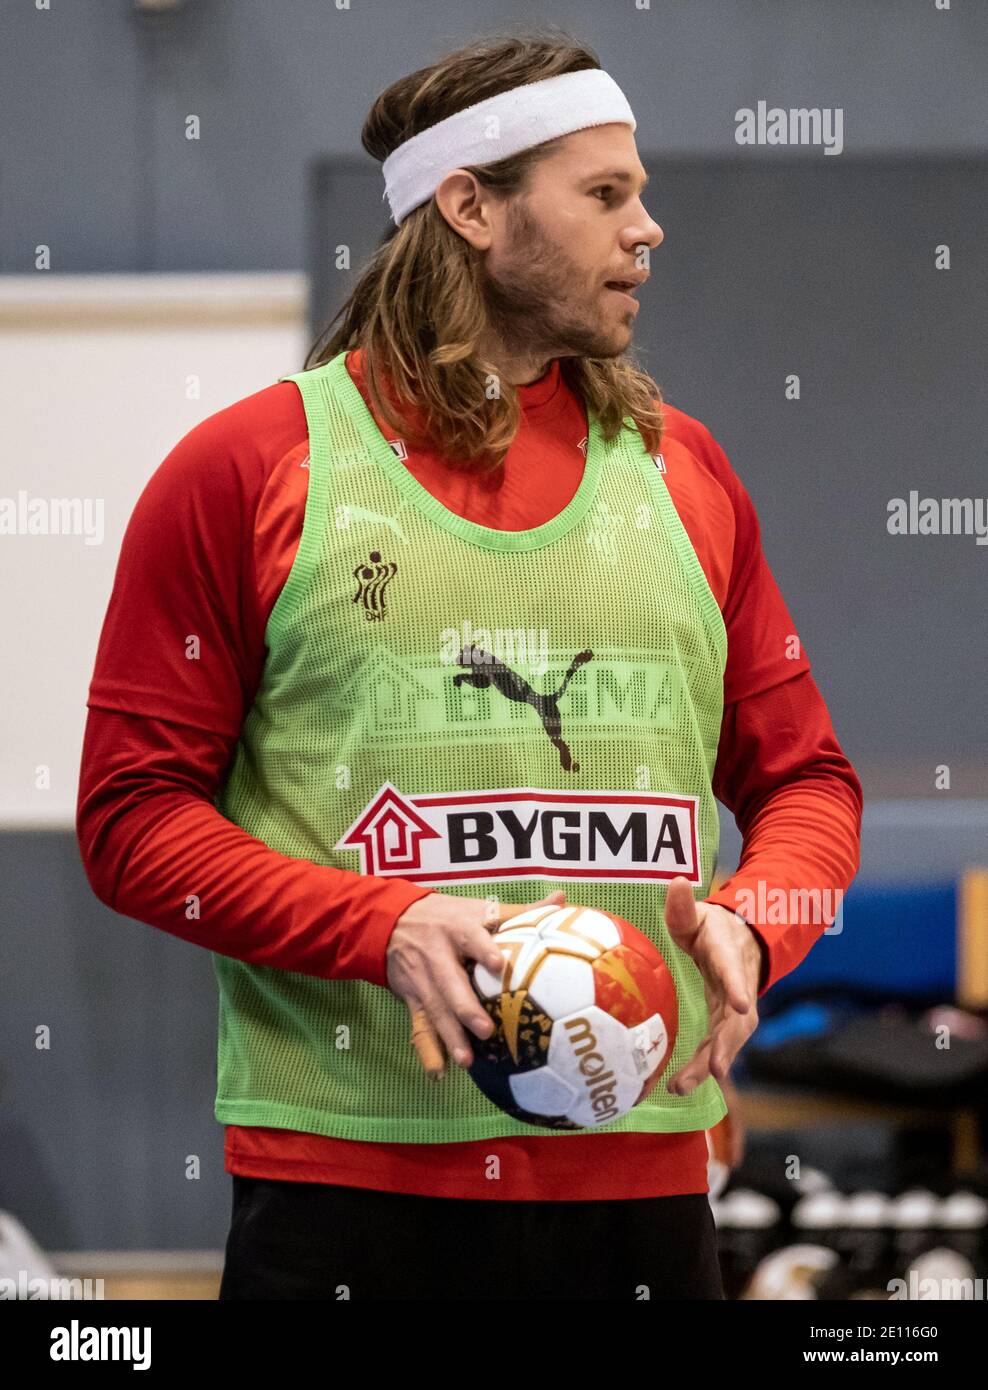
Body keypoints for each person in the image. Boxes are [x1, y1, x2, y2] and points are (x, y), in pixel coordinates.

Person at [76, 27, 862, 1301]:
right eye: (604, 194)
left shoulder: (686, 470)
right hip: (346, 1197)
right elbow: (130, 822)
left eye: (640, 194)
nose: (647, 228)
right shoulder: (248, 470)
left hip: (644, 1196)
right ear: (471, 208)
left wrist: (757, 921)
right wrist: (381, 925)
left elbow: (808, 784)